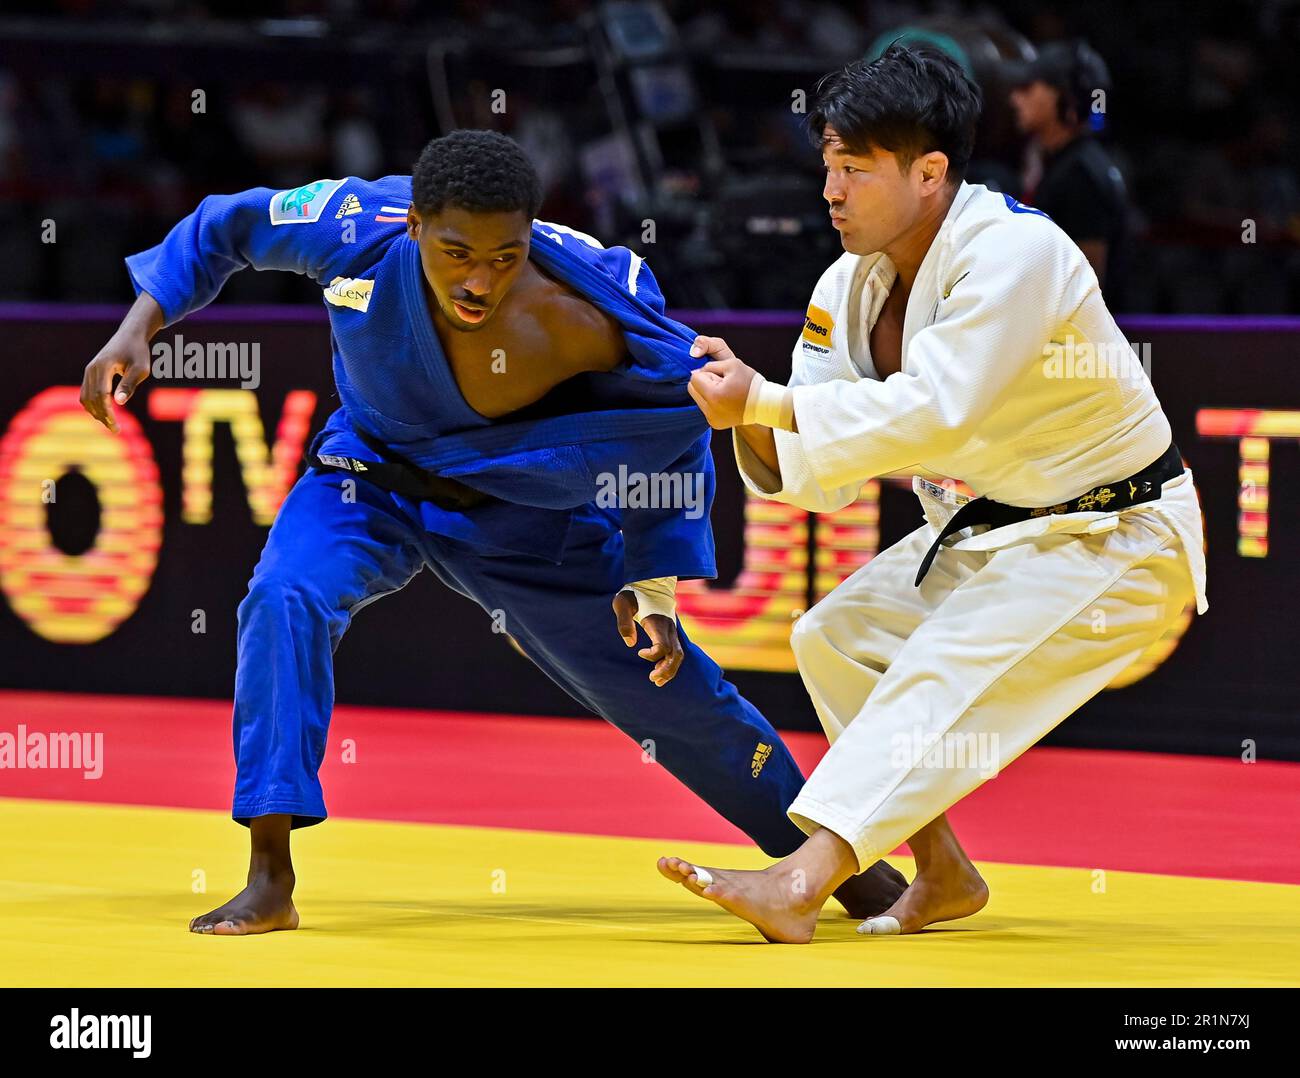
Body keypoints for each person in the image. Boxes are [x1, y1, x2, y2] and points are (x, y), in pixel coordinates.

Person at [78, 129, 905, 934]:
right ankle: (270, 875)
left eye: (503, 257)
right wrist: (139, 325)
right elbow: (225, 224)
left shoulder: (590, 306)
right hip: (367, 477)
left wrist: (651, 584)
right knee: (282, 595)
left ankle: (832, 866)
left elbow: (679, 422)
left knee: (665, 686)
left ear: (529, 239)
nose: (480, 281)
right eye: (456, 254)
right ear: (412, 226)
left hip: (523, 522)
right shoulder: (351, 225)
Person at [661, 45, 1207, 943]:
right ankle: (942, 870)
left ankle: (800, 882)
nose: (831, 192)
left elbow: (939, 415)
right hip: (992, 528)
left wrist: (761, 399)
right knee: (831, 636)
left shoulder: (1017, 251)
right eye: (827, 167)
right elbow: (822, 473)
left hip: (1115, 528)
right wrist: (736, 409)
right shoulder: (850, 281)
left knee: (938, 663)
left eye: (855, 169)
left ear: (930, 172)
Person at [1009, 40, 1131, 308]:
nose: (1015, 99)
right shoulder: (1059, 163)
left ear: (1063, 97)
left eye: (1028, 88)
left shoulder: (1081, 174)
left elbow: (1088, 287)